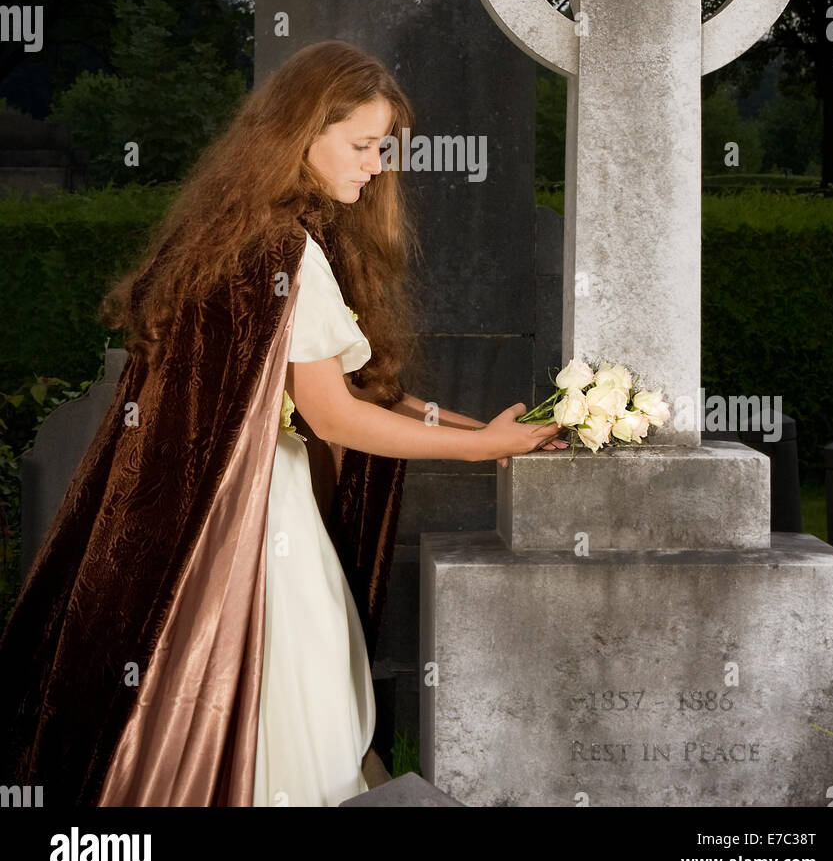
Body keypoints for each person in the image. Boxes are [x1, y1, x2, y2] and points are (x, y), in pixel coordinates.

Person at [0, 39, 565, 807]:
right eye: (363, 145)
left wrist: (489, 433)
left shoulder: (236, 234)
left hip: (232, 513)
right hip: (258, 527)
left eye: (383, 148)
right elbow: (334, 416)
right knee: (305, 712)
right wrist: (482, 450)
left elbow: (361, 388)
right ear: (303, 132)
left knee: (282, 706)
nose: (375, 166)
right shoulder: (285, 251)